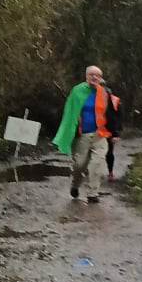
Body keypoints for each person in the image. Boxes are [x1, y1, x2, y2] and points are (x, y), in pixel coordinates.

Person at [52, 64, 121, 204]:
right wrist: (68, 130)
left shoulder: (104, 93)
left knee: (97, 163)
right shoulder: (77, 91)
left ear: (101, 78)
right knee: (79, 165)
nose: (94, 77)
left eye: (98, 75)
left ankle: (93, 193)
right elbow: (69, 111)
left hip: (100, 135)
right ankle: (75, 185)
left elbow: (112, 114)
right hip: (82, 135)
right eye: (92, 75)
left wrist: (115, 133)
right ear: (86, 76)